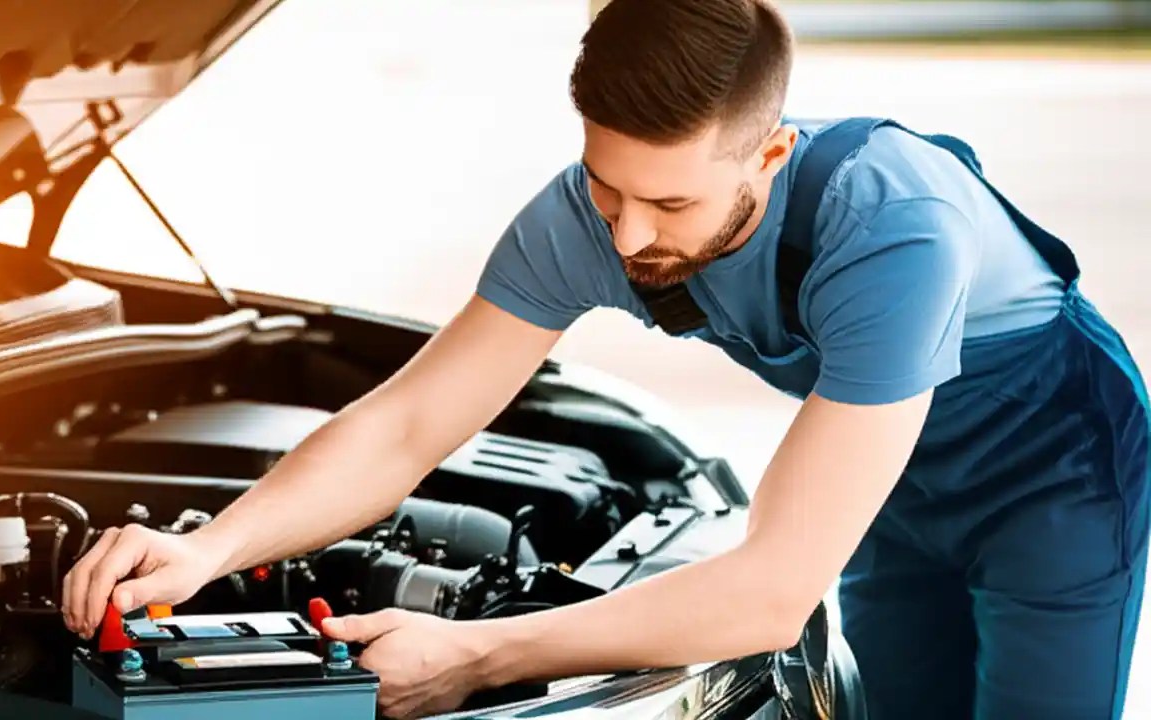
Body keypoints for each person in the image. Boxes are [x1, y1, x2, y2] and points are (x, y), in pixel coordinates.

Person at [61, 0, 1150, 717]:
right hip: (889, 475)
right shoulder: (582, 216)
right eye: (604, 185)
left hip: (1051, 470)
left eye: (669, 201)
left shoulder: (890, 226)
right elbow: (406, 423)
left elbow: (770, 595)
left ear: (768, 152)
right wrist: (212, 550)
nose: (625, 239)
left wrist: (475, 655)